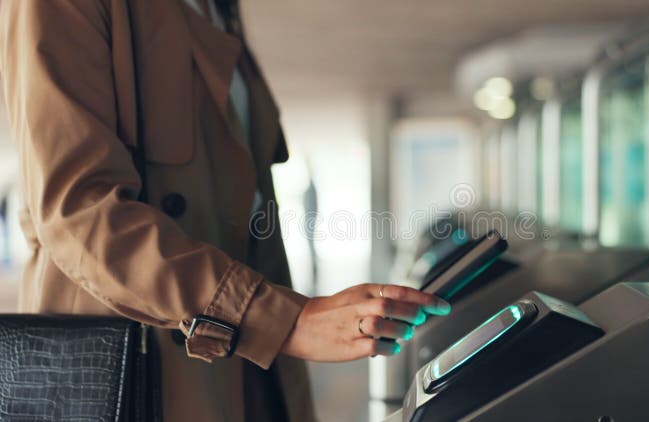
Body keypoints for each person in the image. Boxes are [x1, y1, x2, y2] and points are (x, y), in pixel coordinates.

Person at [0, 1, 450, 421]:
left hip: (245, 363)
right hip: (137, 377)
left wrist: (288, 320)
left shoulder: (219, 9)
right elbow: (79, 213)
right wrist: (281, 319)